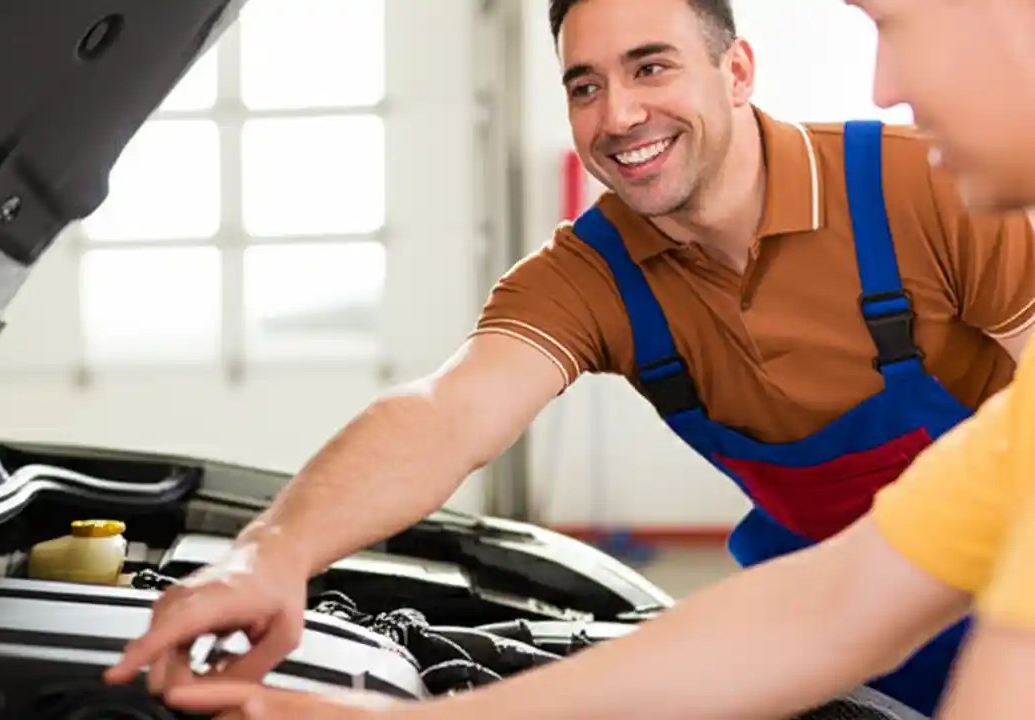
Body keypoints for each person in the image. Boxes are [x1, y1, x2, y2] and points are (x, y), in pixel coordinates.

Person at [105, 0, 1035, 715]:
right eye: (584, 85)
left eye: (650, 66)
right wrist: (269, 555)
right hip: (828, 613)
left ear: (738, 70)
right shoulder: (588, 274)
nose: (617, 113)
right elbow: (447, 412)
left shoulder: (932, 188)